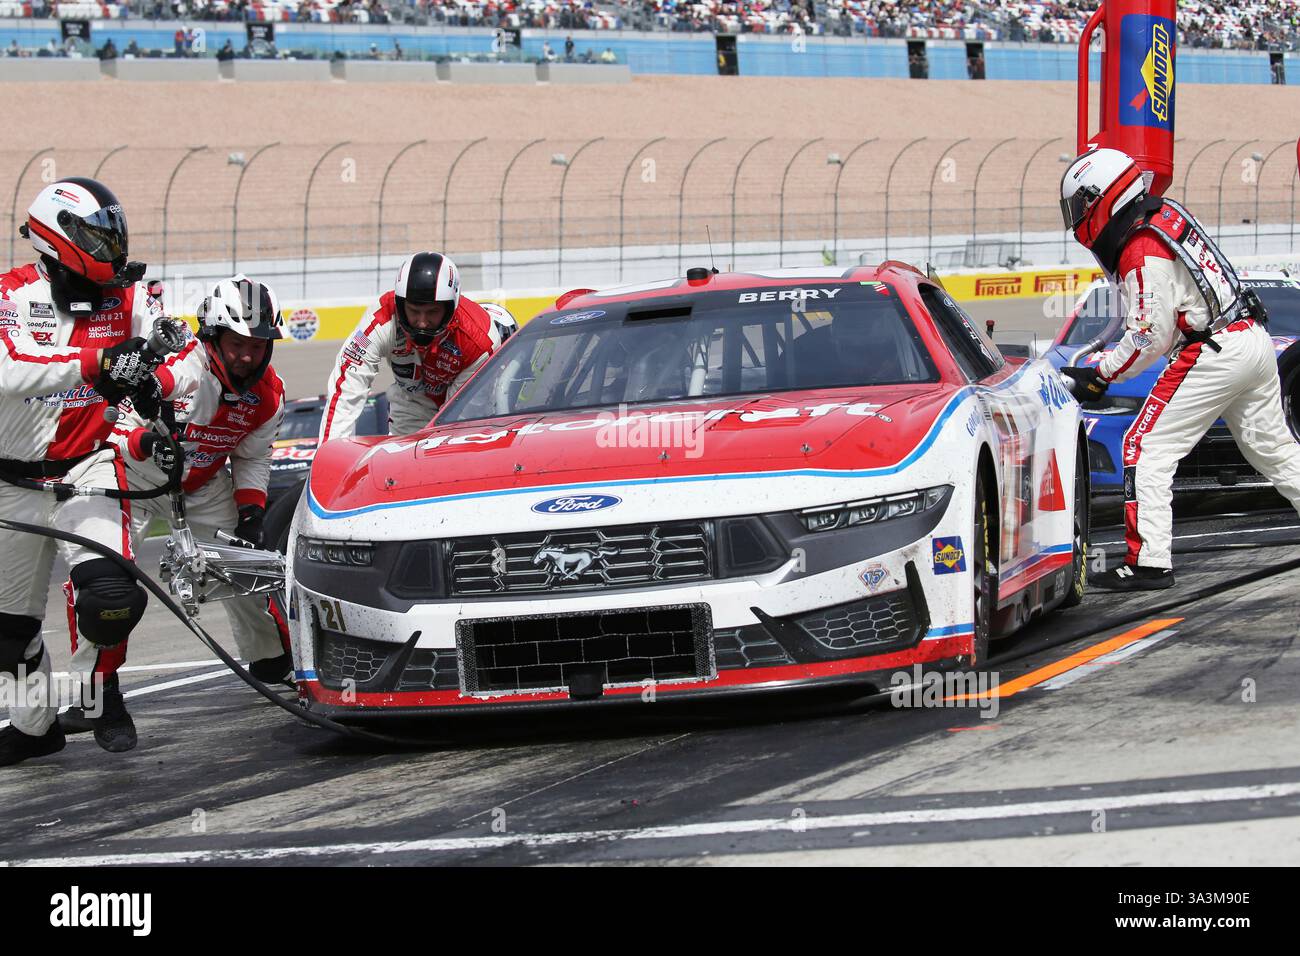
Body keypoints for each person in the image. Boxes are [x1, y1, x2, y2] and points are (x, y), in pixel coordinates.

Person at [0, 177, 204, 765]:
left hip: (90, 469)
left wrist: (156, 378)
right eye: (96, 234)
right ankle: (34, 726)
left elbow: (188, 355)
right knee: (8, 635)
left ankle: (97, 693)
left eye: (113, 231)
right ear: (56, 237)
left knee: (110, 596)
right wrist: (102, 361)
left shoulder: (135, 297)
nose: (111, 246)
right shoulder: (9, 295)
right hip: (12, 482)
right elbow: (13, 370)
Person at [1059, 147, 1300, 591]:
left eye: (1079, 207)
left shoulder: (1140, 247)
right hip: (1251, 338)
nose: (1076, 220)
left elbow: (1150, 336)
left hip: (1213, 350)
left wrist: (1102, 374)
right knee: (1275, 451)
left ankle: (1148, 563)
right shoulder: (1167, 215)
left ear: (1102, 198)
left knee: (1143, 446)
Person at [67, 277, 289, 700]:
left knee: (245, 566)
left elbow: (253, 458)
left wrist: (252, 510)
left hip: (202, 489)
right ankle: (96, 689)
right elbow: (117, 425)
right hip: (132, 477)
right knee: (106, 584)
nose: (246, 356)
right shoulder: (183, 362)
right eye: (236, 343)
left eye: (257, 346)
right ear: (213, 337)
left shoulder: (270, 396)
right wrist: (145, 440)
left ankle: (275, 659)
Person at [319, 252, 515, 442]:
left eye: (432, 312)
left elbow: (460, 416)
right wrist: (328, 460)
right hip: (410, 404)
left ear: (451, 307)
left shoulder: (480, 340)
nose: (422, 322)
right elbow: (346, 387)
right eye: (413, 311)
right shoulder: (380, 319)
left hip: (467, 411)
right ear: (399, 304)